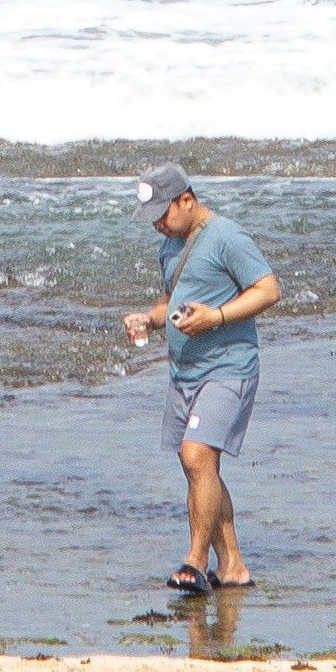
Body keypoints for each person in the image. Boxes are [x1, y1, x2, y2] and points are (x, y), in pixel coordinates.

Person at [121, 163, 277, 595]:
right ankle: (232, 567)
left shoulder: (226, 236)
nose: (156, 223)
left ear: (186, 200)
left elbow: (268, 289)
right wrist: (148, 321)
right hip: (184, 372)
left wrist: (218, 316)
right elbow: (172, 300)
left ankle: (194, 562)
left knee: (195, 456)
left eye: (162, 213)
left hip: (229, 367)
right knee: (198, 467)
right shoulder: (170, 245)